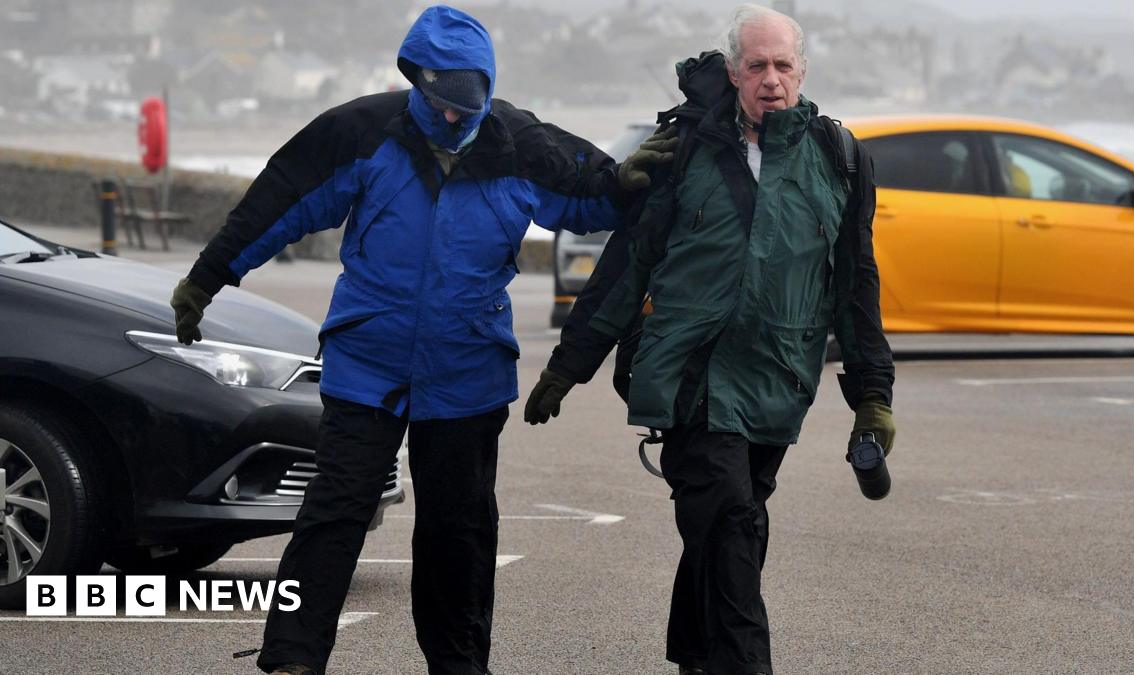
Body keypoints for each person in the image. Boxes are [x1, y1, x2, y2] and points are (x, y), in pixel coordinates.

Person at [168, 6, 662, 674]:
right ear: (416, 81)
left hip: (468, 372)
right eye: (442, 105)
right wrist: (206, 279)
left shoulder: (523, 144)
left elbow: (599, 197)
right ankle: (292, 658)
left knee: (458, 533)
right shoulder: (362, 132)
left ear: (488, 89)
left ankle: (459, 665)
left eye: (469, 107)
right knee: (332, 514)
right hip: (367, 362)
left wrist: (635, 178)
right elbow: (277, 204)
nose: (455, 119)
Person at [524, 5, 897, 675]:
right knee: (729, 519)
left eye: (783, 65)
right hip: (689, 376)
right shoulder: (688, 150)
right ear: (733, 72)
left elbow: (856, 284)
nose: (771, 80)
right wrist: (570, 364)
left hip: (778, 380)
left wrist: (873, 395)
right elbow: (627, 262)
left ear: (803, 70)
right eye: (756, 66)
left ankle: (695, 653)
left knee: (736, 521)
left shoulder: (838, 159)